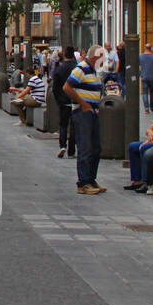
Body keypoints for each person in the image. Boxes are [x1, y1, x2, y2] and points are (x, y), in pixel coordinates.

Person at [63, 44, 108, 194]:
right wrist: (83, 104)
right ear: (95, 56)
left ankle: (90, 179)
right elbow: (67, 87)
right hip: (83, 113)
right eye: (102, 58)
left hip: (93, 112)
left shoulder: (95, 71)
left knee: (96, 148)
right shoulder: (81, 69)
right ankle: (82, 182)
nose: (104, 62)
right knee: (85, 147)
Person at [51, 49, 76, 158]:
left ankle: (62, 145)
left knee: (63, 125)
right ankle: (72, 150)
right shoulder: (78, 68)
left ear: (64, 55)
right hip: (75, 100)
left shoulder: (60, 69)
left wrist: (58, 99)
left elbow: (55, 87)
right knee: (74, 126)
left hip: (63, 101)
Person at [139, 43, 153, 114]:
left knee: (144, 92)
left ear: (145, 48)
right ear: (151, 48)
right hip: (152, 77)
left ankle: (146, 108)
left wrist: (140, 74)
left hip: (144, 76)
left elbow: (139, 66)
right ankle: (152, 106)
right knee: (152, 92)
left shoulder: (140, 56)